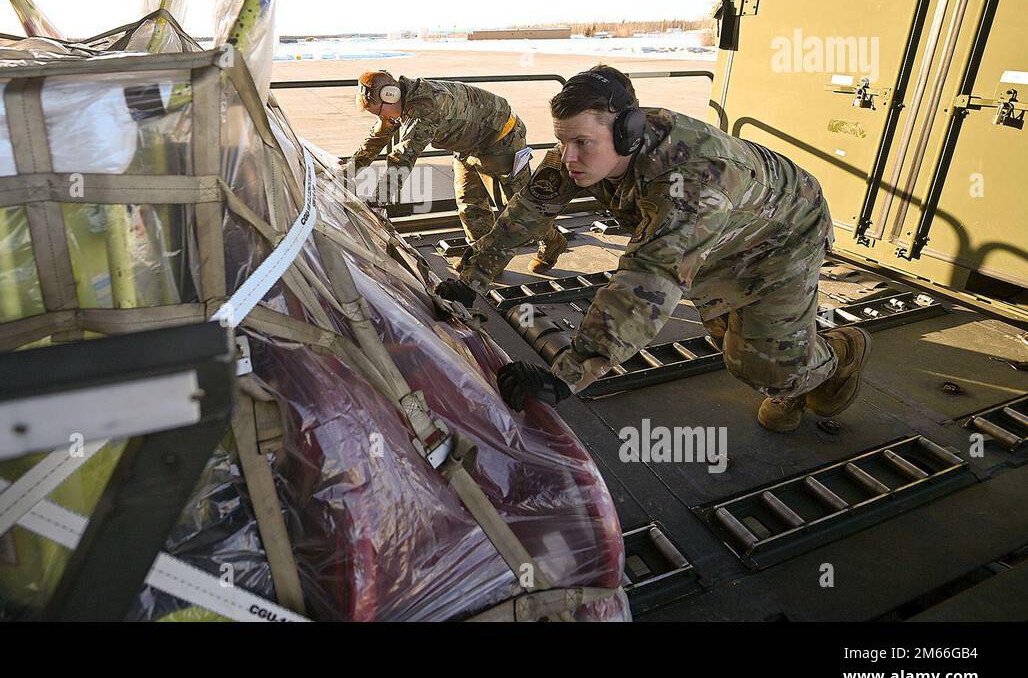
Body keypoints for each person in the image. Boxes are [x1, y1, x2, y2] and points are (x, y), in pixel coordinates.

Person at [445, 65, 872, 433]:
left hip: (782, 234)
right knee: (735, 340)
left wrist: (565, 376)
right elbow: (528, 212)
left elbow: (648, 279)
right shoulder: (581, 150)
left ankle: (838, 354)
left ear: (628, 133)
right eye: (562, 142)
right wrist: (471, 280)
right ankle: (792, 365)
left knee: (763, 366)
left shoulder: (693, 179)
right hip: (718, 233)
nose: (567, 157)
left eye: (581, 143)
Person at [340, 69, 566, 273]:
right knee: (469, 202)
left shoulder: (424, 109)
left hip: (501, 139)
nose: (382, 118)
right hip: (468, 143)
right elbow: (378, 137)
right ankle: (481, 258)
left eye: (378, 112)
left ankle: (553, 241)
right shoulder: (396, 104)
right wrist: (348, 171)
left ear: (390, 95)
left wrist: (378, 201)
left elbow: (403, 159)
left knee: (518, 209)